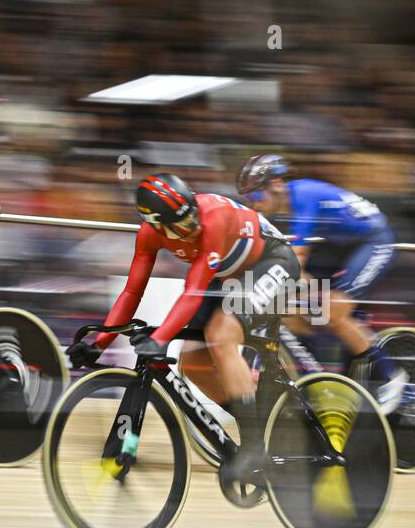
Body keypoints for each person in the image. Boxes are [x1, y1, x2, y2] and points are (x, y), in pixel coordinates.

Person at [66, 173, 298, 490]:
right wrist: (100, 343)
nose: (194, 227)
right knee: (196, 364)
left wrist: (159, 338)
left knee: (221, 335)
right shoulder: (149, 235)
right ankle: (258, 415)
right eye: (184, 225)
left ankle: (254, 447)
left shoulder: (212, 218)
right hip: (228, 273)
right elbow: (132, 293)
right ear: (158, 227)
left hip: (274, 260)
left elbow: (192, 292)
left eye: (192, 217)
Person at [235, 154, 407, 413]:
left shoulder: (303, 196)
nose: (253, 205)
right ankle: (314, 383)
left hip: (374, 241)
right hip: (341, 248)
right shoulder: (281, 208)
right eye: (247, 199)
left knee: (332, 311)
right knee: (292, 313)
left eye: (256, 197)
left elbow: (298, 261)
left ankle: (391, 376)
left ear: (277, 184)